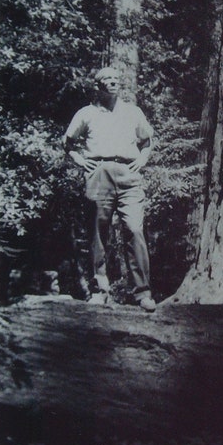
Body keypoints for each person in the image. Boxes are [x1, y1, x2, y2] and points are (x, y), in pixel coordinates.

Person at [63, 67, 156, 311]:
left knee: (134, 228)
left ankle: (143, 293)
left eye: (116, 79)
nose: (113, 83)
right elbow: (68, 142)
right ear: (99, 86)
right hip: (99, 173)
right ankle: (99, 290)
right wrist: (81, 160)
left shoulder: (132, 112)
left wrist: (143, 159)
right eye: (107, 80)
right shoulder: (87, 113)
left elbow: (147, 141)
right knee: (98, 232)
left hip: (129, 174)